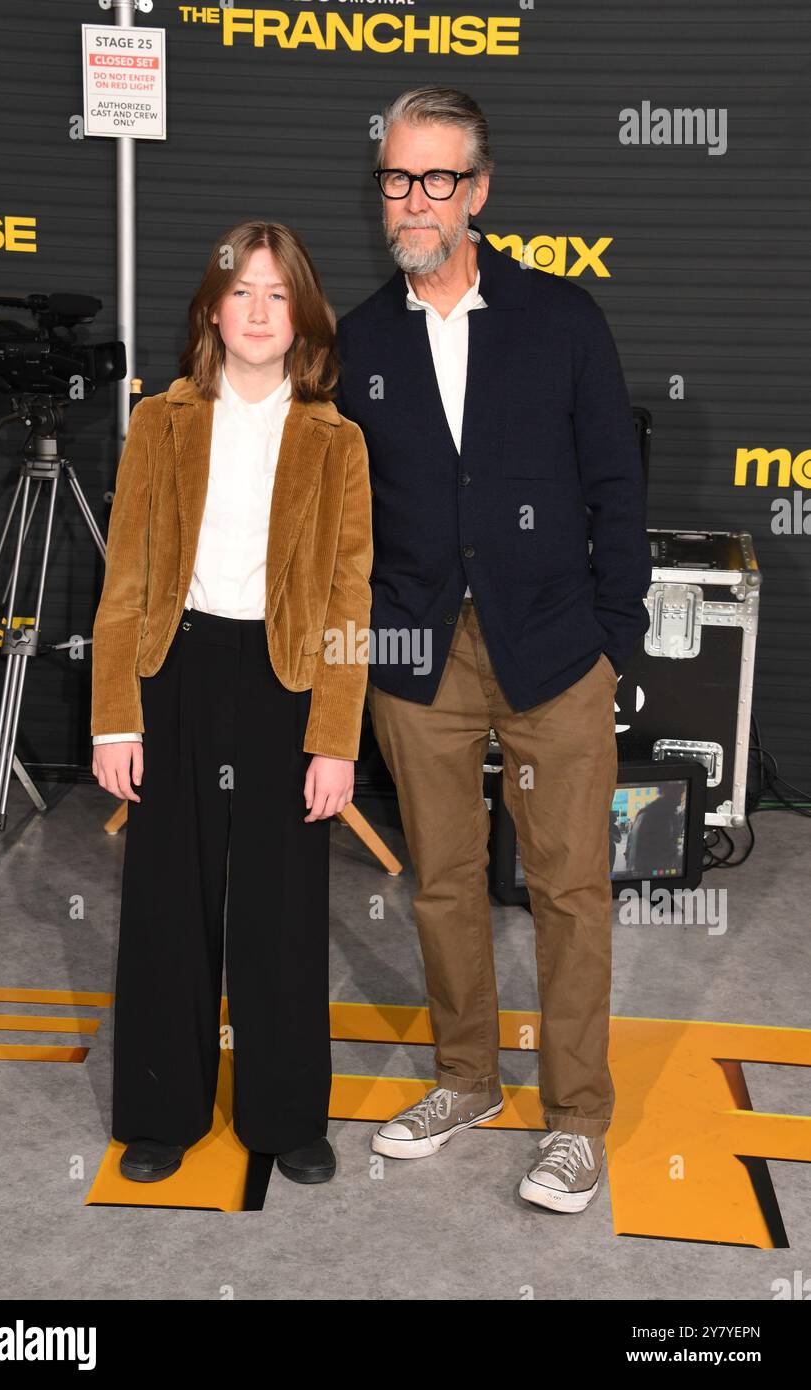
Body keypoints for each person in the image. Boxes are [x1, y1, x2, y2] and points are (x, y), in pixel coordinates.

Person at [334, 87, 652, 1213]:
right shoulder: (361, 338)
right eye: (393, 178)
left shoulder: (560, 318)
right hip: (416, 660)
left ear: (475, 192)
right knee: (442, 886)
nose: (411, 201)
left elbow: (616, 485)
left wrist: (614, 635)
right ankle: (464, 1077)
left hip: (557, 650)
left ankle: (574, 1118)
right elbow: (341, 514)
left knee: (570, 891)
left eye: (433, 179)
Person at [90, 221, 373, 1185]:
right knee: (167, 901)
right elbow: (123, 579)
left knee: (283, 908)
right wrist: (115, 716)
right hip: (176, 675)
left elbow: (348, 597)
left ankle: (286, 1117)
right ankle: (162, 1108)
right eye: (241, 292)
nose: (258, 310)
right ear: (213, 309)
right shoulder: (160, 421)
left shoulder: (337, 440)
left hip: (284, 683)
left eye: (278, 294)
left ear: (303, 317)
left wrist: (335, 739)